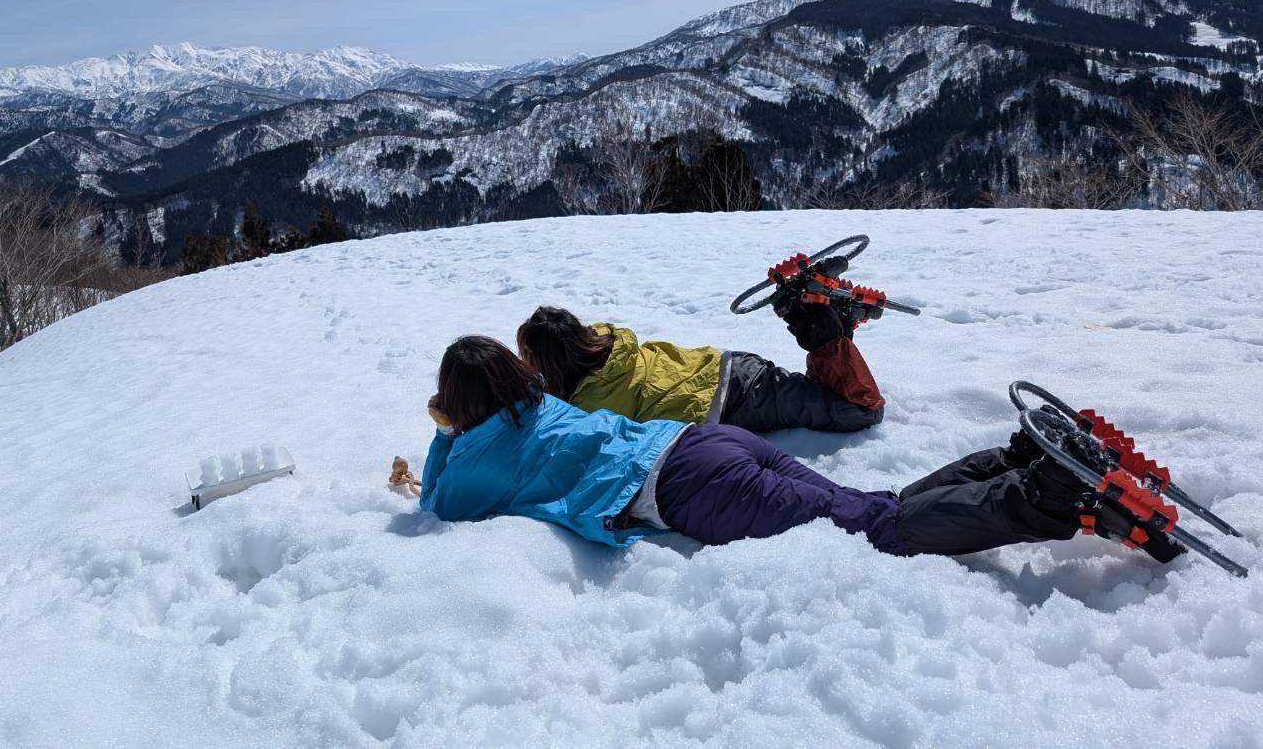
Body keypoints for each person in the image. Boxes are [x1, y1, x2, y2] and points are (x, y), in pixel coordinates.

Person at [419, 335, 1183, 563]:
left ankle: (1052, 496)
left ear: (458, 403)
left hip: (687, 489)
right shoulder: (546, 403)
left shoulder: (477, 460)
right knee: (874, 509)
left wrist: (443, 428)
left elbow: (438, 500)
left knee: (880, 532)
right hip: (707, 441)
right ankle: (1021, 461)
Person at [515, 302, 882, 435]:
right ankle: (826, 327)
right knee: (819, 394)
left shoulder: (591, 405)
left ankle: (822, 327)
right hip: (731, 368)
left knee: (861, 411)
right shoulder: (608, 340)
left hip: (735, 400)